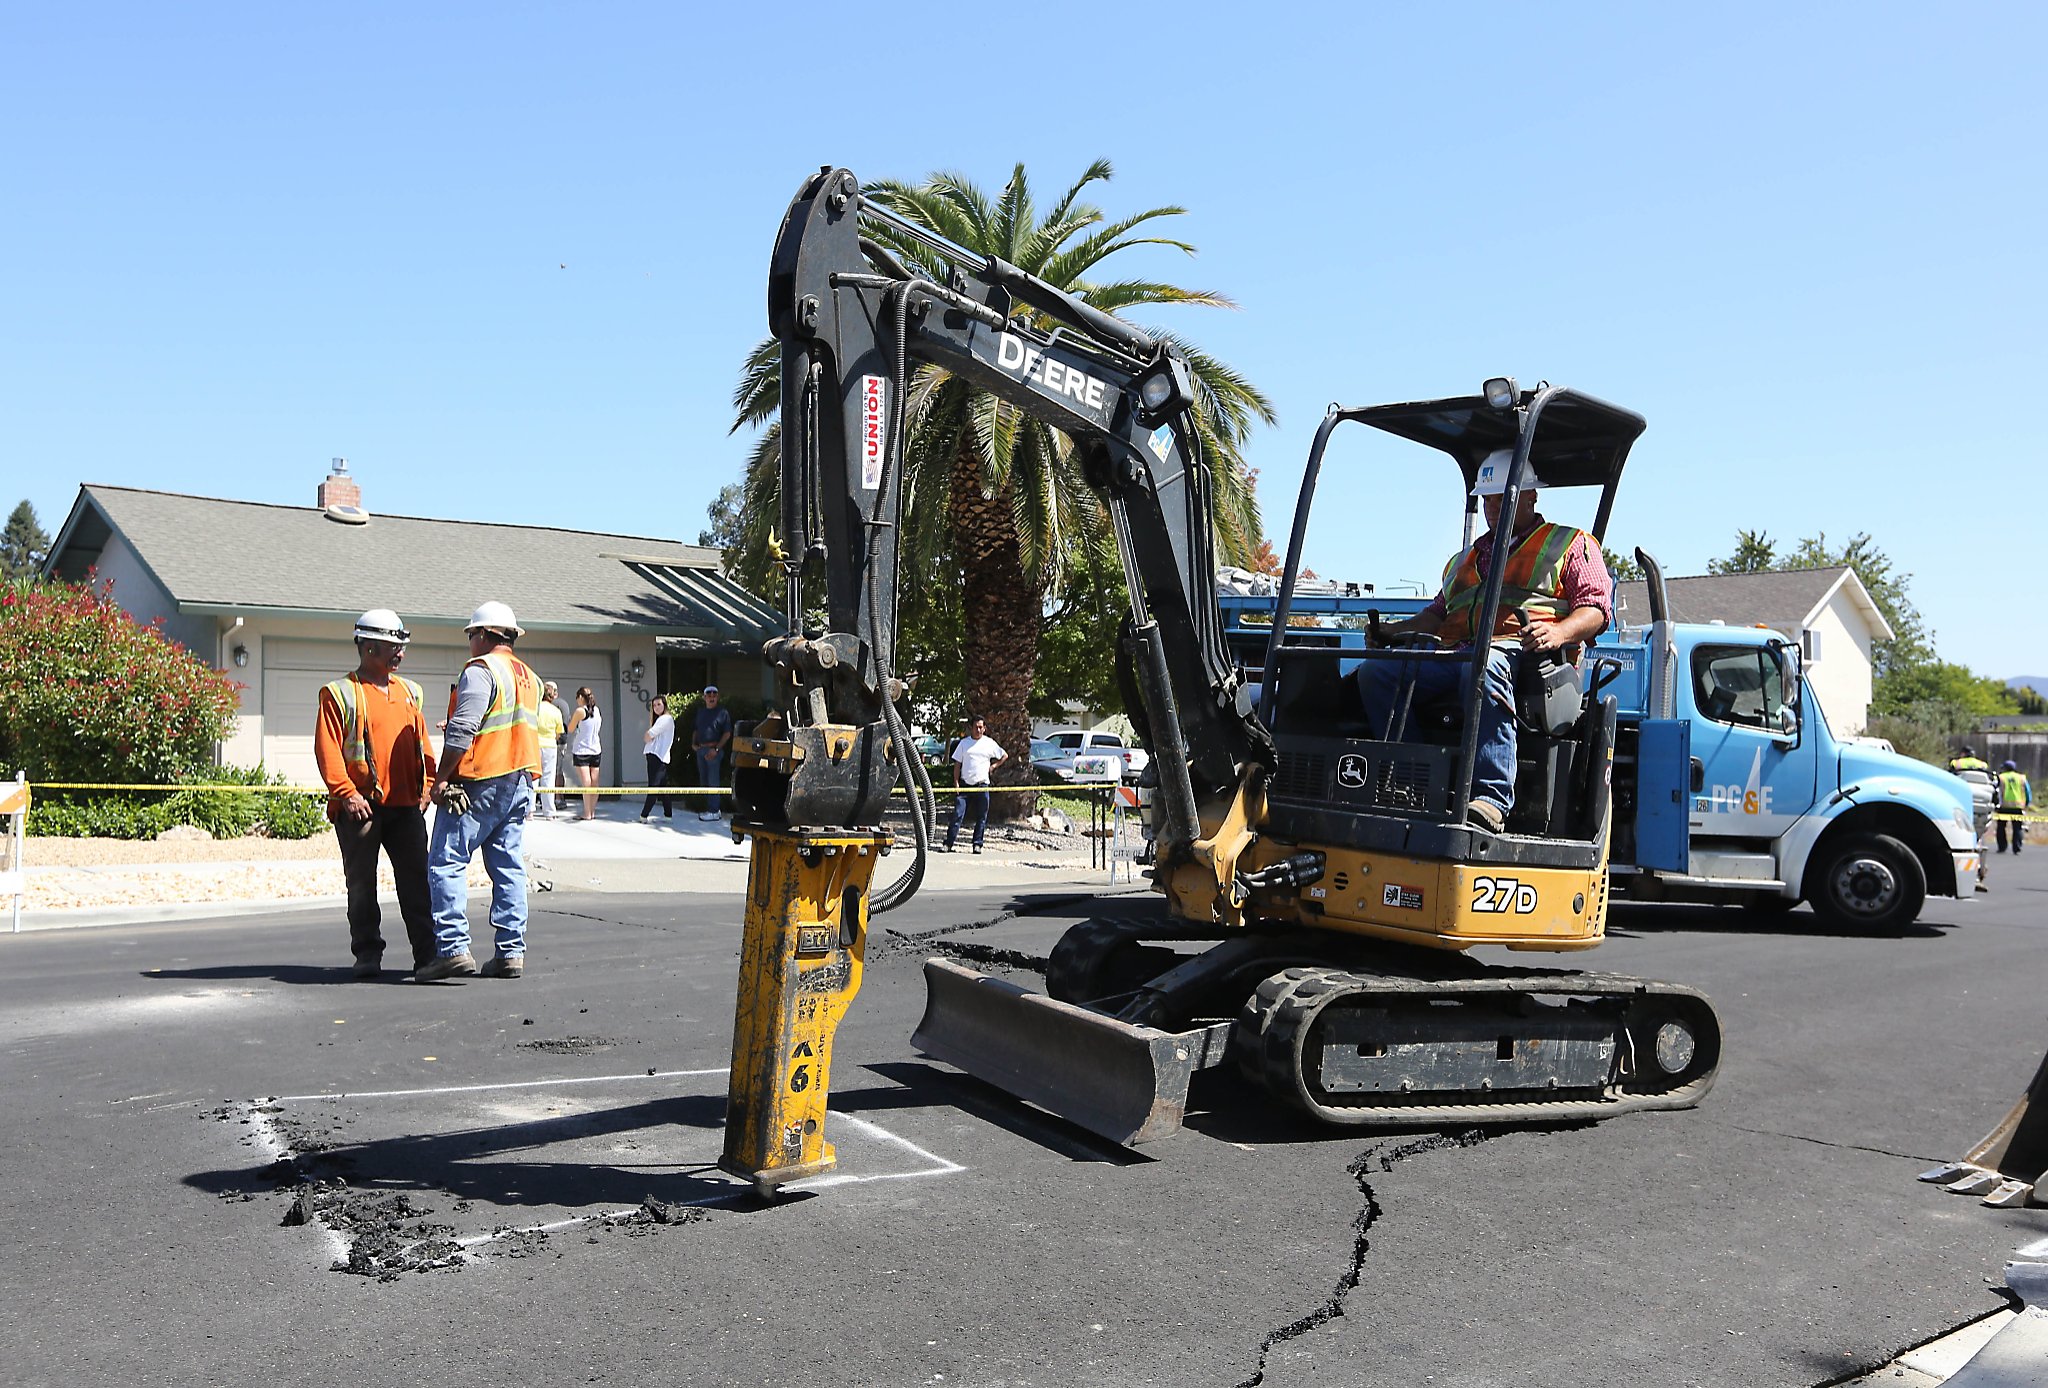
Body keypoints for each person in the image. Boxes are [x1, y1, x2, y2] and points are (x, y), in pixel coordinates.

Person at [1358, 452, 1610, 831]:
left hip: (1530, 660)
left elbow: (1596, 609)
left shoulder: (1570, 544)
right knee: (1377, 673)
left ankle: (1491, 797)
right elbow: (1438, 615)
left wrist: (1558, 632)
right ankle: (1412, 780)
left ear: (1531, 496)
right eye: (1488, 499)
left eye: (1502, 498)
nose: (1493, 507)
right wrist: (1391, 632)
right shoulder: (1465, 559)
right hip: (1457, 655)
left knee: (1484, 665)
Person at [419, 602, 544, 982]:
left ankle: (453, 949)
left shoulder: (481, 670)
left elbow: (463, 732)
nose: (469, 642)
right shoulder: (529, 677)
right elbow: (504, 726)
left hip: (481, 781)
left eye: (471, 634)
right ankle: (510, 953)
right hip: (519, 781)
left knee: (446, 860)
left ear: (485, 634)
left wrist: (441, 780)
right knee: (507, 864)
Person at [313, 609, 437, 980]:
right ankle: (367, 953)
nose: (400, 653)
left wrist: (428, 787)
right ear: (367, 647)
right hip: (360, 808)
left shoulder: (411, 692)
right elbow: (327, 750)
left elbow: (423, 744)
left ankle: (427, 956)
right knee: (362, 885)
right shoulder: (340, 694)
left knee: (417, 883)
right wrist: (347, 794)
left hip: (406, 809)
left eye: (401, 646)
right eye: (392, 646)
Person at [944, 715, 1008, 853]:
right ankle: (948, 843)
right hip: (965, 786)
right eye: (976, 727)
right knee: (957, 815)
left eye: (981, 727)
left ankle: (977, 844)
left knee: (982, 816)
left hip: (982, 786)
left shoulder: (989, 743)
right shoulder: (964, 744)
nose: (978, 730)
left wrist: (993, 766)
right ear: (971, 728)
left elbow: (1004, 755)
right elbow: (957, 764)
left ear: (984, 728)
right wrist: (956, 782)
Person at [690, 685, 734, 821]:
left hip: (714, 750)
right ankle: (712, 808)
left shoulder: (722, 713)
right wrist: (693, 744)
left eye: (714, 694)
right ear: (704, 697)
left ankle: (714, 811)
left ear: (717, 697)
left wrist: (716, 750)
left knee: (713, 781)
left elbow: (727, 733)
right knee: (704, 781)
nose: (711, 697)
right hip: (701, 750)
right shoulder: (700, 712)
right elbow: (696, 730)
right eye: (708, 695)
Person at [565, 685, 603, 820]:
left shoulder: (580, 711)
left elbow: (570, 729)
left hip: (582, 749)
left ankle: (587, 813)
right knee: (595, 781)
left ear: (581, 697)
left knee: (586, 782)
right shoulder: (597, 710)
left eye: (577, 698)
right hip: (595, 748)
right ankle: (592, 811)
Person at [640, 695, 677, 821]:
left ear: (664, 705)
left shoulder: (665, 719)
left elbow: (648, 735)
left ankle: (644, 815)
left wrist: (647, 736)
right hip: (657, 756)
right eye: (654, 705)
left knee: (654, 786)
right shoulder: (661, 719)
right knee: (662, 787)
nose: (656, 707)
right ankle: (668, 815)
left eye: (659, 704)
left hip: (657, 756)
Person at [534, 681, 566, 818]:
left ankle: (529, 810)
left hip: (535, 745)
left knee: (533, 778)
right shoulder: (556, 711)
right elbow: (559, 732)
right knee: (548, 778)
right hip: (550, 746)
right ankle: (549, 811)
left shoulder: (535, 708)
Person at [1996, 759, 2032, 854]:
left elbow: (1996, 791)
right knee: (2017, 828)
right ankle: (2017, 848)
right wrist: (2026, 803)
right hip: (2018, 806)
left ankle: (2002, 847)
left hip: (2004, 806)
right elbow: (2028, 792)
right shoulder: (2022, 778)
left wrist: (1995, 804)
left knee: (2001, 827)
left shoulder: (2001, 777)